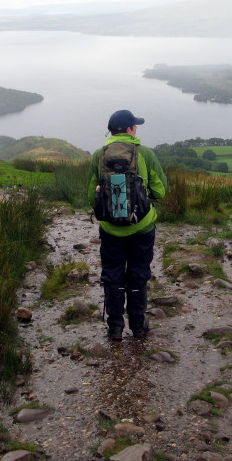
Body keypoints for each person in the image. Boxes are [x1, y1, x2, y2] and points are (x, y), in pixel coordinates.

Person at [89, 109, 167, 341]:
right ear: (131, 129)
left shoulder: (98, 155)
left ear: (111, 130)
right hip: (142, 227)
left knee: (112, 276)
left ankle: (114, 328)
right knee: (138, 273)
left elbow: (89, 196)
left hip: (111, 230)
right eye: (136, 126)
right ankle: (138, 325)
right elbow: (161, 191)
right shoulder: (146, 154)